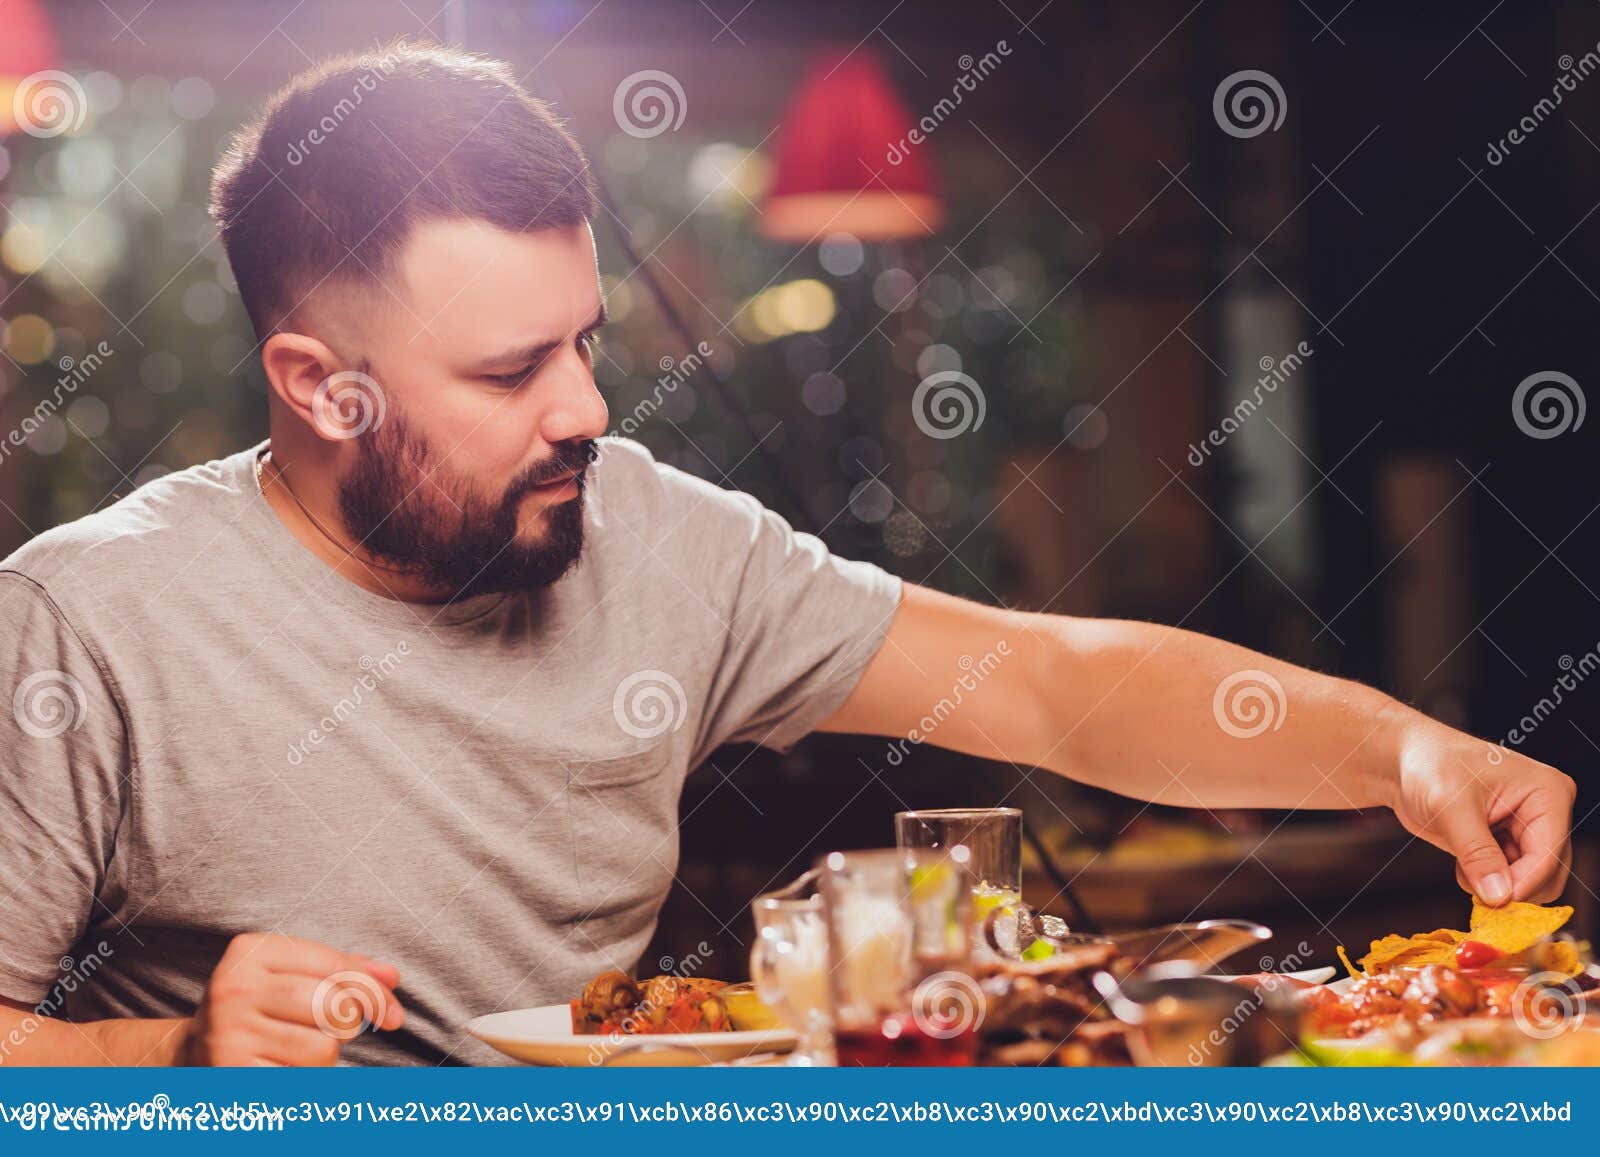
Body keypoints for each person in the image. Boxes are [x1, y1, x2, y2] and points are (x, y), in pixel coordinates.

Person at [0, 43, 1572, 1067]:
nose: (588, 410)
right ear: (314, 386)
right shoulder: (88, 619)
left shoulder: (655, 540)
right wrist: (176, 1047)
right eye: (506, 372)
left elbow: (1055, 688)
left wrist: (1404, 749)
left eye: (586, 341)